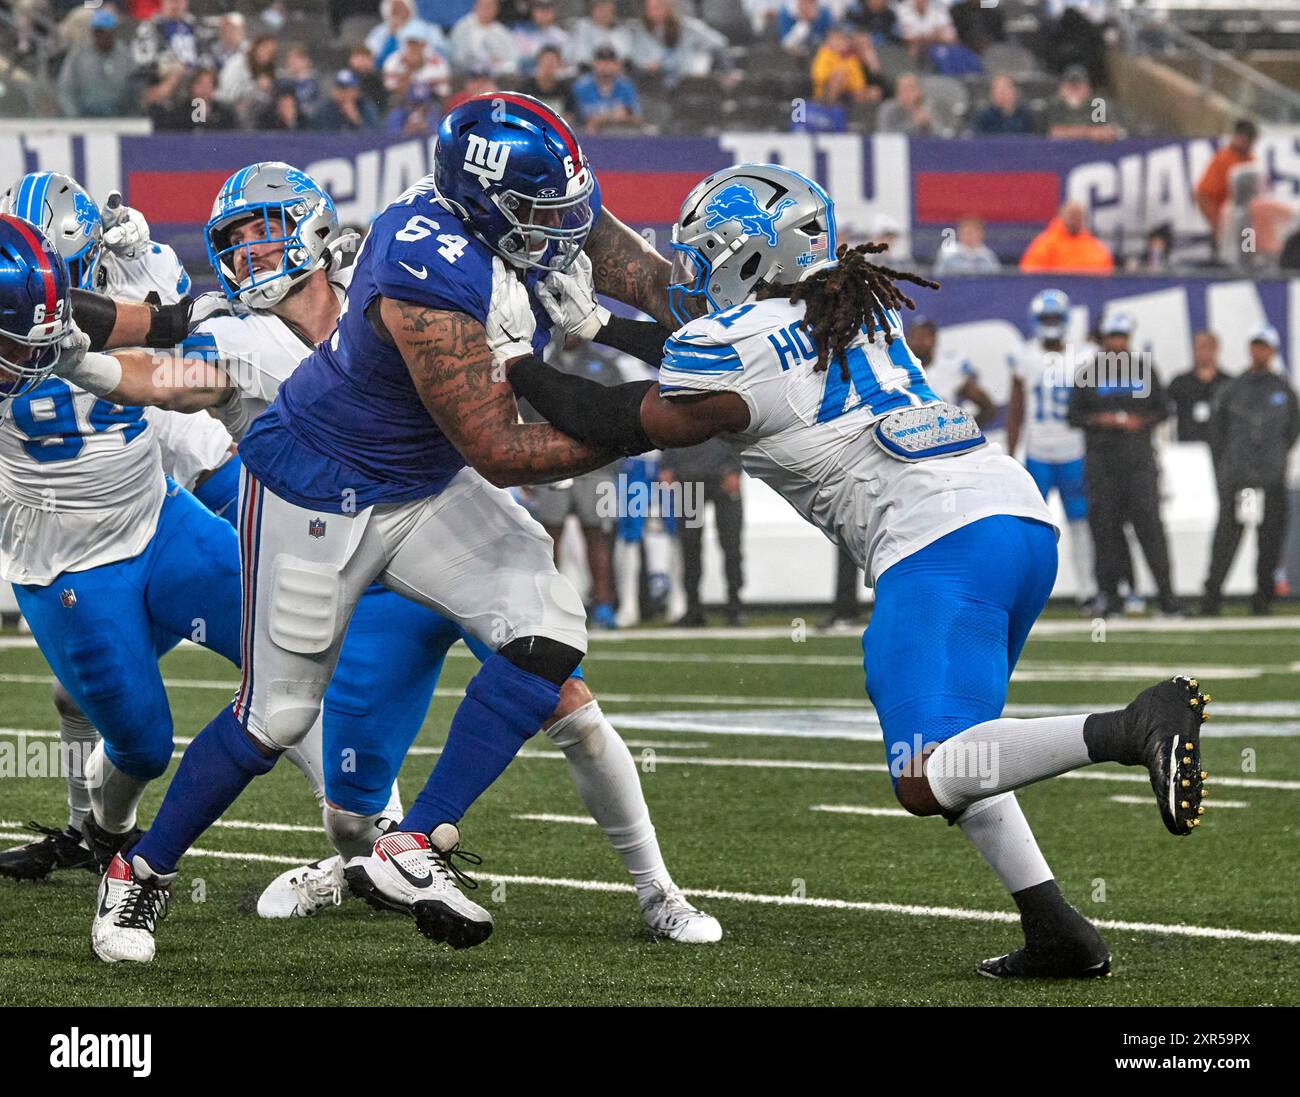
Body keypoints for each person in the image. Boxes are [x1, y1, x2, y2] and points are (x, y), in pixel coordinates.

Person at [509, 163, 1213, 978]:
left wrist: (512, 363)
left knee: (925, 774)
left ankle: (1132, 726)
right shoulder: (846, 306)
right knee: (965, 748)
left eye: (707, 249)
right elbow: (734, 361)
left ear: (750, 256)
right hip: (1015, 525)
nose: (694, 267)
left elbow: (621, 416)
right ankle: (1057, 927)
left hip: (935, 547)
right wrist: (597, 323)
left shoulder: (742, 345)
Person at [82, 98, 721, 963]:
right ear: (487, 206)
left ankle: (411, 844)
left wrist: (744, 310)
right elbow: (501, 446)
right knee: (275, 714)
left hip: (425, 478)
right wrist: (665, 417)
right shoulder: (426, 275)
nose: (565, 228)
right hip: (322, 488)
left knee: (549, 627)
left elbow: (644, 271)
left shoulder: (515, 206)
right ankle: (140, 872)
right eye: (544, 215)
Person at [1067, 312, 1182, 617]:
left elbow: (1163, 409)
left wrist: (1140, 421)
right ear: (1104, 339)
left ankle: (1169, 600)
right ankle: (1110, 599)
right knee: (1105, 535)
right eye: (1113, 337)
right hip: (1103, 466)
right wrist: (1101, 420)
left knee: (1151, 533)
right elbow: (1073, 416)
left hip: (1138, 463)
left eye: (1122, 337)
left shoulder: (1145, 370)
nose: (1117, 343)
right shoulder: (1088, 372)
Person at [1201, 325, 1300, 616]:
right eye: (1256, 345)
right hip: (1241, 478)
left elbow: (1291, 432)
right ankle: (1213, 596)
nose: (1260, 351)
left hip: (1269, 478)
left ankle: (1262, 598)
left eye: (1264, 346)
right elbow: (1217, 433)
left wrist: (1273, 460)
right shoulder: (1234, 389)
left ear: (1273, 350)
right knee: (1228, 539)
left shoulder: (1283, 390)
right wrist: (1231, 467)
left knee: (1269, 540)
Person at [1006, 289, 1094, 606]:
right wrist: (1012, 453)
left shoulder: (1083, 356)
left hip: (1074, 452)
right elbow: (1016, 408)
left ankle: (1087, 591)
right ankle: (1028, 594)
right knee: (1032, 530)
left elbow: (1091, 406)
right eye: (1046, 319)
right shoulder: (1024, 355)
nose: (1051, 324)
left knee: (1081, 524)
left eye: (1055, 318)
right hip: (1038, 453)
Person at [659, 439, 745, 627]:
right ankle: (693, 608)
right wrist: (667, 464)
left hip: (723, 473)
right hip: (688, 475)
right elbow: (669, 425)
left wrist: (736, 469)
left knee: (731, 546)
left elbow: (738, 426)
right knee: (689, 548)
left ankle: (735, 607)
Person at [906, 317, 996, 425]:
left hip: (944, 437)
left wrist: (963, 431)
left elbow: (987, 407)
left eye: (924, 336)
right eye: (914, 336)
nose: (918, 342)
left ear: (934, 338)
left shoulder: (950, 366)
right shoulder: (900, 371)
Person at [57, 7, 137, 118]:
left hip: (119, 118)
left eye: (107, 31)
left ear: (114, 32)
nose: (103, 36)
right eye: (98, 31)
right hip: (84, 117)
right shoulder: (79, 54)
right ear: (93, 32)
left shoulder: (125, 56)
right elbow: (66, 88)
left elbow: (134, 89)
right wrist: (74, 117)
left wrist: (130, 116)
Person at [1195, 118, 1258, 247]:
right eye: (1245, 139)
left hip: (1247, 228)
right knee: (1228, 264)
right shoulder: (1223, 160)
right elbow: (1203, 195)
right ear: (1237, 137)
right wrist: (1218, 228)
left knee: (1248, 259)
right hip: (1227, 228)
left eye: (1250, 140)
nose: (1247, 143)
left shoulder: (1251, 161)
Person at [1167, 331, 1230, 445]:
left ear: (1216, 349)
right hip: (1188, 449)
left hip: (1221, 449)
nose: (1201, 352)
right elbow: (1163, 410)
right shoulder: (1180, 383)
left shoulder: (1228, 384)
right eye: (1197, 347)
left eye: (1205, 346)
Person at [1019, 200, 1114, 274]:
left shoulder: (1095, 247)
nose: (1075, 219)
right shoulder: (1045, 244)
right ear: (1061, 215)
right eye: (1071, 215)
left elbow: (1107, 275)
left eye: (1078, 216)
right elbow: (1030, 274)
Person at [1041, 65, 1119, 142]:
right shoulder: (1054, 104)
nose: (1074, 89)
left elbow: (1106, 131)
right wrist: (1089, 132)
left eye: (1079, 85)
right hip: (1061, 149)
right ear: (1062, 87)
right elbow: (1055, 133)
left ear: (1088, 87)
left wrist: (1073, 132)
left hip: (1093, 149)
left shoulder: (1097, 104)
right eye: (1070, 85)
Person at [571, 46, 641, 132]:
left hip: (620, 135)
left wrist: (624, 118)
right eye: (601, 62)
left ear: (617, 65)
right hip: (588, 137)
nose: (606, 67)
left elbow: (637, 118)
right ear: (594, 64)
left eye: (610, 62)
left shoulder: (626, 86)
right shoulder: (581, 86)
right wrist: (612, 116)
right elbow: (583, 119)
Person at [449, 0, 517, 77]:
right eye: (483, 5)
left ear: (496, 10)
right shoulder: (463, 27)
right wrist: (486, 62)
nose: (486, 9)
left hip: (498, 76)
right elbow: (458, 58)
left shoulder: (501, 31)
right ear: (475, 7)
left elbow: (514, 58)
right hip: (469, 74)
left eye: (490, 6)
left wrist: (499, 62)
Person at [311, 69, 380, 131]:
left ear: (356, 91)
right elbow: (319, 136)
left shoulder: (366, 107)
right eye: (340, 88)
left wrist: (356, 119)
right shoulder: (324, 109)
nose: (344, 93)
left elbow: (375, 136)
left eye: (348, 88)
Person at [971, 73, 1037, 136]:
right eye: (997, 89)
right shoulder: (983, 115)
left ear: (1015, 91)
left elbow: (1034, 137)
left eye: (1005, 89)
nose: (1001, 93)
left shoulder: (1025, 114)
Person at [932, 216, 1000, 276]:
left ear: (981, 234)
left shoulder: (987, 255)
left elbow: (995, 278)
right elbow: (938, 275)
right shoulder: (948, 252)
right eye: (967, 233)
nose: (970, 237)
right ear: (959, 233)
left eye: (974, 233)